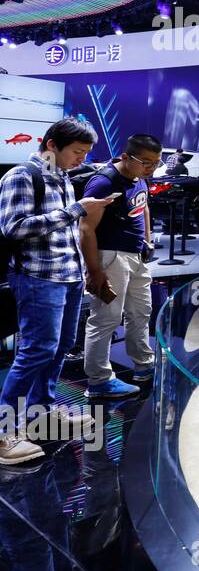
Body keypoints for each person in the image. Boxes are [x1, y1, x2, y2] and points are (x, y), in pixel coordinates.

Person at [0, 119, 117, 467]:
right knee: (36, 351)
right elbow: (13, 227)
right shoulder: (22, 176)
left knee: (61, 347)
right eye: (77, 152)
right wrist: (77, 209)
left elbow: (64, 231)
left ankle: (40, 415)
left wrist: (83, 270)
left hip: (67, 277)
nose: (81, 159)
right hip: (38, 277)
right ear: (52, 145)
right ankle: (4, 431)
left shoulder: (62, 178)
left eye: (85, 153)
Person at [81, 134, 163, 398]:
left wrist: (147, 241)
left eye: (156, 163)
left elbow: (144, 207)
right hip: (111, 255)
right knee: (106, 318)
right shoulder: (104, 182)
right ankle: (99, 380)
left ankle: (144, 365)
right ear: (126, 156)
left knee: (141, 312)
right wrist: (94, 270)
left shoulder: (138, 177)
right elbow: (85, 228)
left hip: (136, 255)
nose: (151, 169)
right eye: (147, 163)